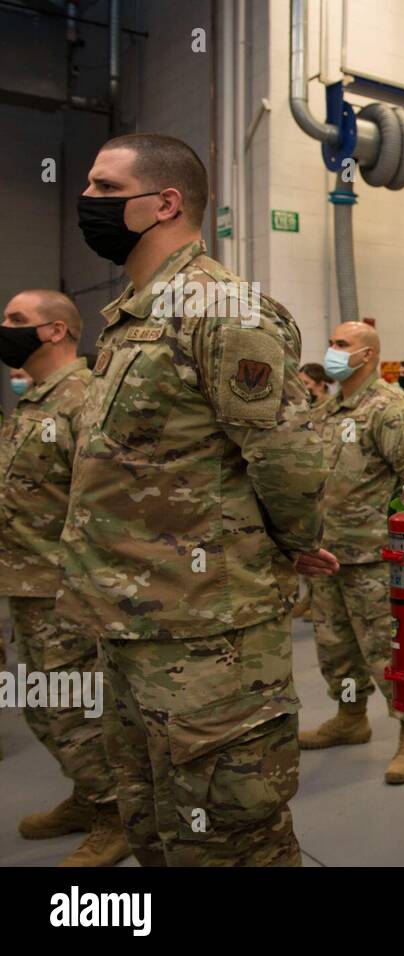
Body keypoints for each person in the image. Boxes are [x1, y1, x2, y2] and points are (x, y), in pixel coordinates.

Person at [58, 132, 334, 866]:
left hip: (211, 633)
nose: (87, 202)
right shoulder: (131, 316)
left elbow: (288, 458)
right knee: (156, 829)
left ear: (165, 203)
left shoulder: (222, 308)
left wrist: (292, 544)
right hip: (131, 626)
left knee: (232, 842)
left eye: (106, 189)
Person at [0, 289, 127, 866]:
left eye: (16, 320)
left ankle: (115, 813)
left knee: (74, 707)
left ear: (54, 331)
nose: (5, 327)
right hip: (26, 585)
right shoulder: (32, 403)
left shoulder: (85, 398)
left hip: (66, 592)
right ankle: (88, 793)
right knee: (40, 705)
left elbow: (115, 502)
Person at [298, 321, 404, 783]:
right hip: (326, 553)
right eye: (331, 343)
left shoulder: (390, 409)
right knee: (336, 648)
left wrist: (389, 529)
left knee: (387, 652)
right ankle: (350, 717)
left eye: (341, 345)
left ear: (368, 355)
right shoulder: (327, 409)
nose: (331, 351)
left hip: (374, 558)